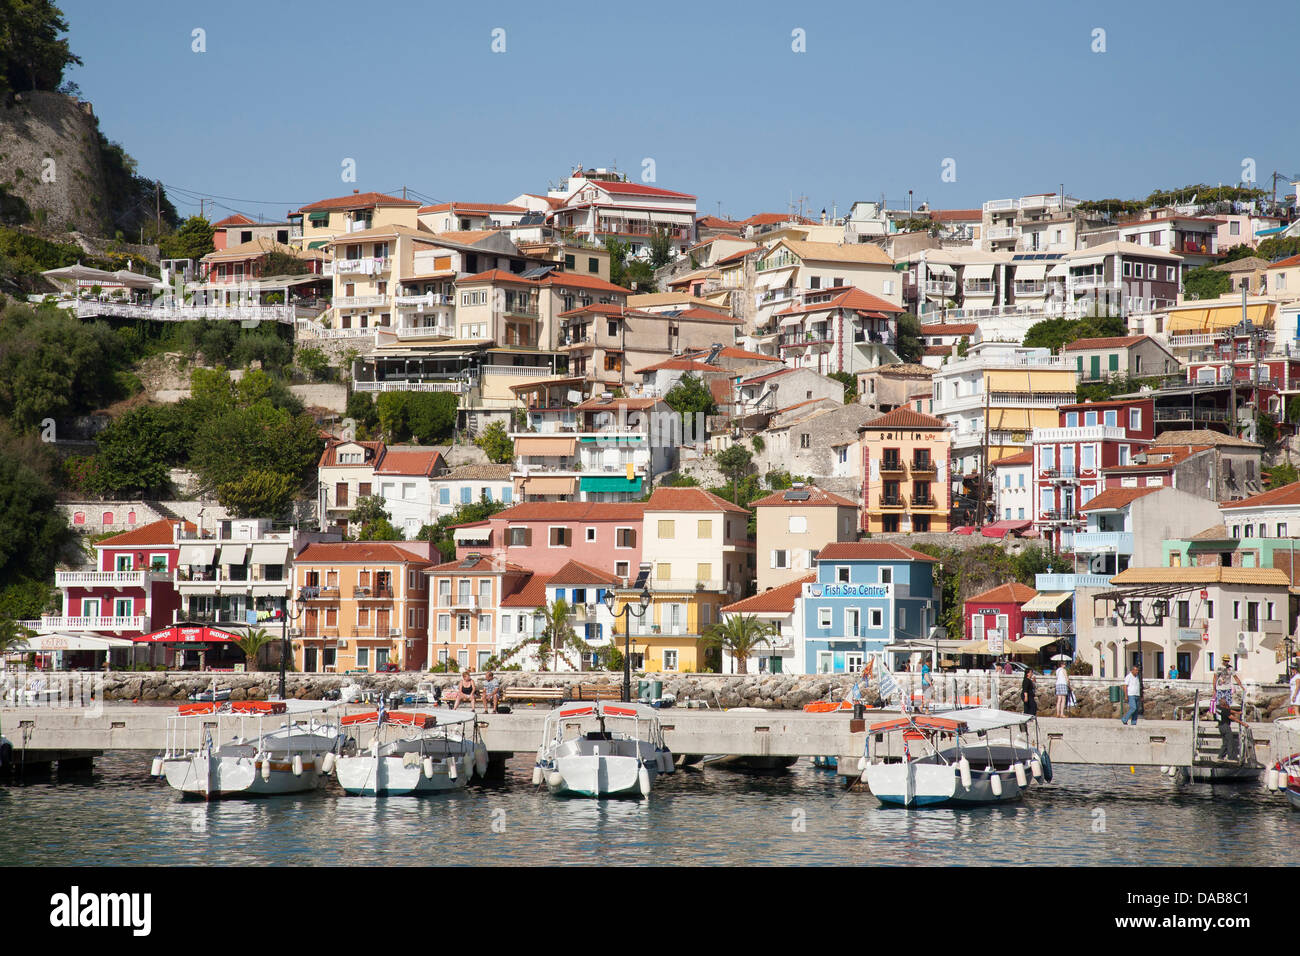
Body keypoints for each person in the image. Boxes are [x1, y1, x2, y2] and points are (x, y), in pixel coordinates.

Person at [1212, 659, 1244, 760]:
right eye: (1225, 660)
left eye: (1227, 660)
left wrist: (1241, 686)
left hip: (1227, 689)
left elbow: (1236, 677)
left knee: (1227, 706)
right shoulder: (1218, 667)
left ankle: (1227, 721)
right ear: (1222, 661)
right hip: (1220, 689)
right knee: (1219, 707)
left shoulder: (1230, 668)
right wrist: (1214, 689)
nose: (1226, 662)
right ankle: (1219, 721)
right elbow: (1215, 678)